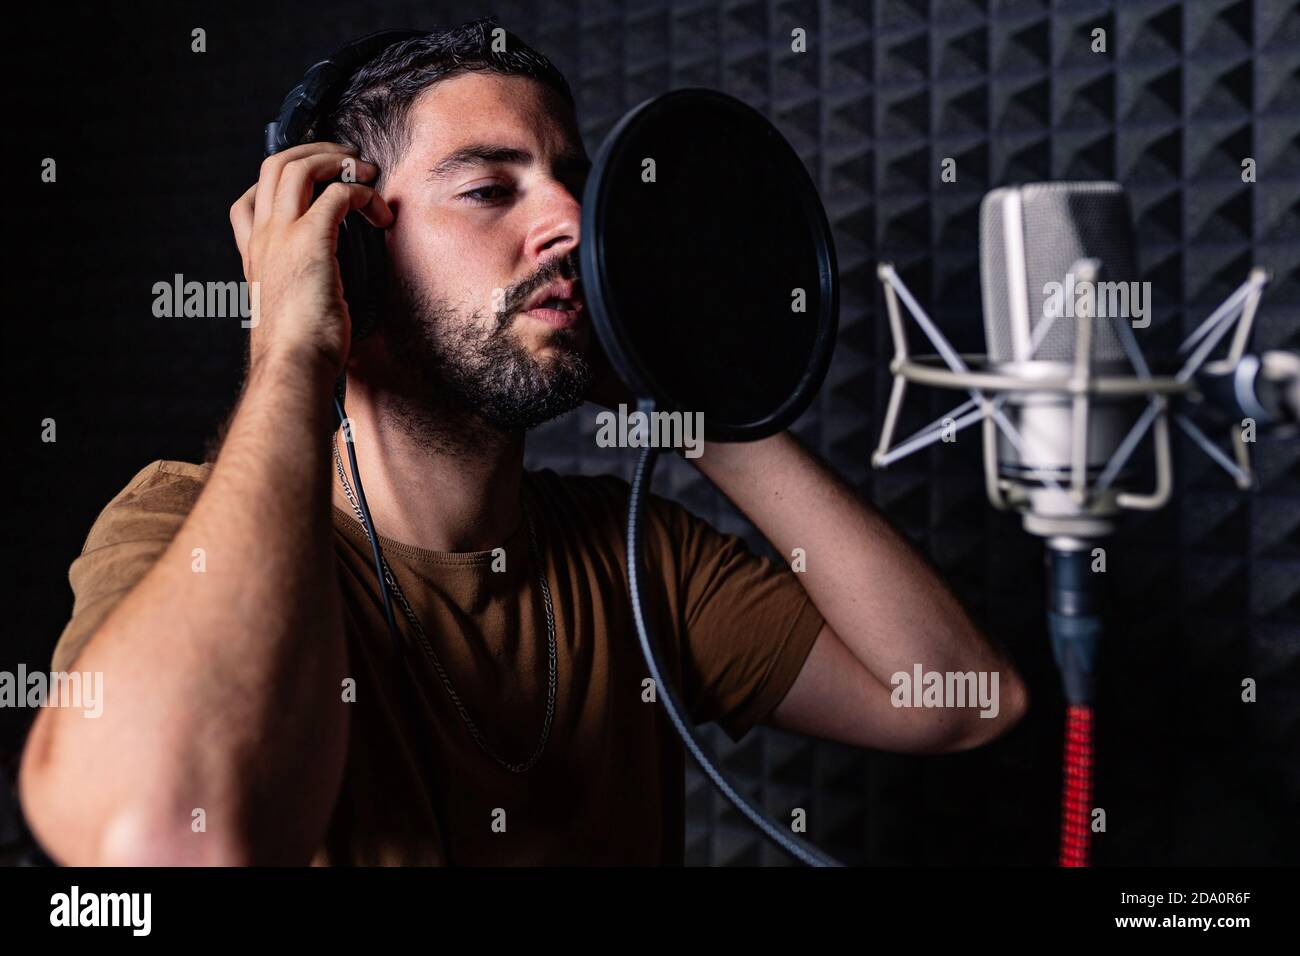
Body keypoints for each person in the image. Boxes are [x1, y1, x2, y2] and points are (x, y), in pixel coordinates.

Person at [19, 18, 1028, 865]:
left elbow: (957, 698)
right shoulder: (173, 525)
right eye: (490, 188)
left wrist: (667, 378)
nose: (571, 223)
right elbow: (164, 832)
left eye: (571, 182)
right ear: (350, 253)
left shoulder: (635, 560)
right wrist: (291, 350)